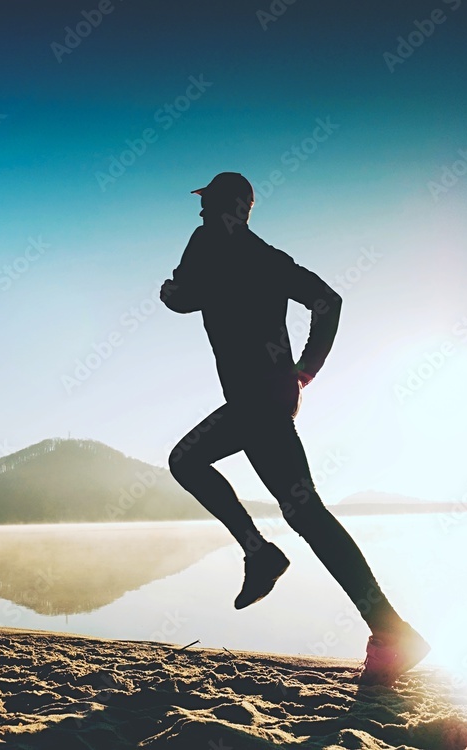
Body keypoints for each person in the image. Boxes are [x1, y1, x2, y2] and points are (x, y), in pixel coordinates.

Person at [160, 172, 430, 687]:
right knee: (306, 512)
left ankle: (265, 556)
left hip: (254, 401)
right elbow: (328, 301)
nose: (199, 213)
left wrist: (170, 291)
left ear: (232, 207)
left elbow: (186, 295)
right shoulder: (269, 258)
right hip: (269, 398)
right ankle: (387, 629)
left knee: (189, 462)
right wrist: (304, 371)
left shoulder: (210, 243)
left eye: (209, 203)